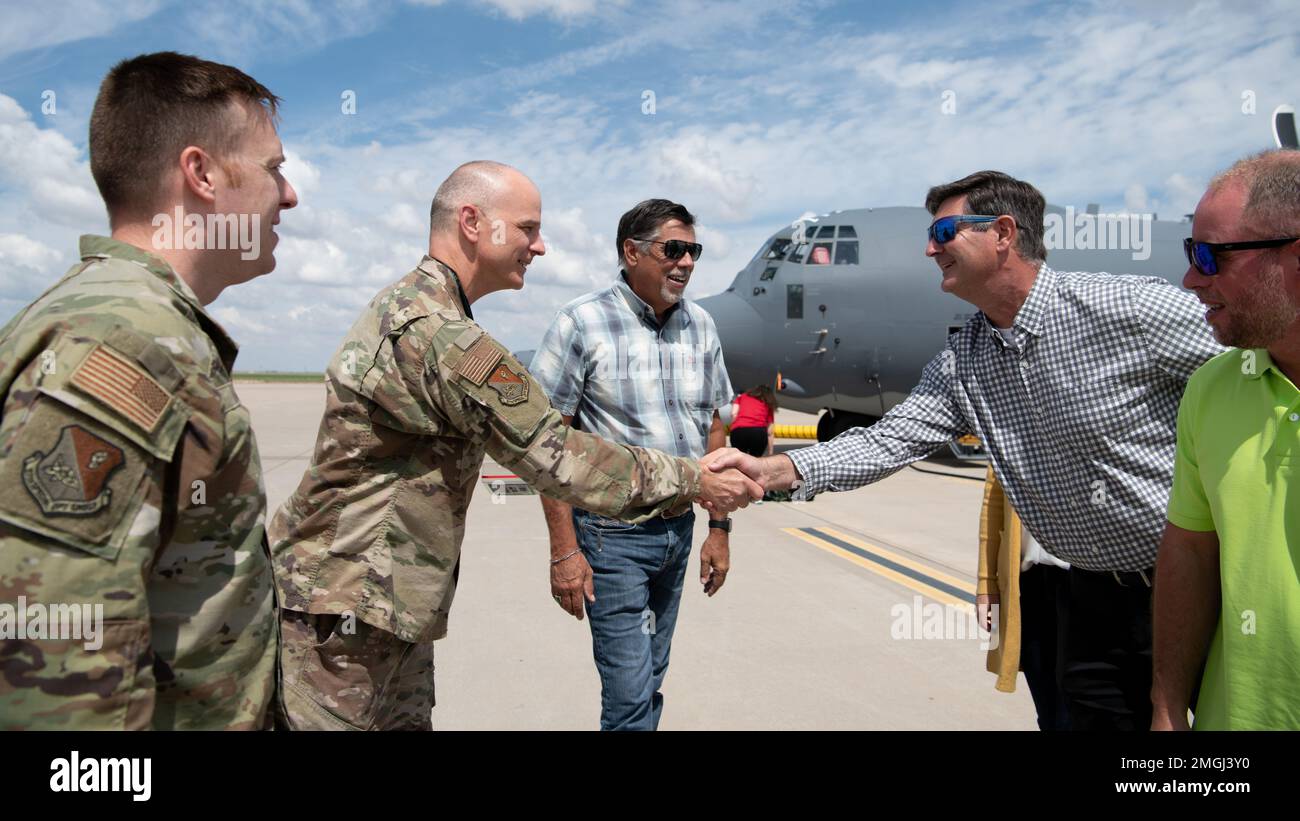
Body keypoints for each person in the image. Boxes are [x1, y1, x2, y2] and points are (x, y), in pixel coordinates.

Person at [706, 170, 1225, 730]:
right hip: (1089, 598)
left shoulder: (1129, 311)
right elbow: (889, 439)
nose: (931, 248)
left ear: (1003, 233)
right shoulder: (967, 359)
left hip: (1198, 585)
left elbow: (1261, 366)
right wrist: (774, 467)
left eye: (946, 231)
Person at [269, 167, 760, 731]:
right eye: (527, 228)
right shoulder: (439, 334)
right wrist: (696, 480)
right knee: (629, 693)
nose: (541, 246)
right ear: (473, 223)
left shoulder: (429, 312)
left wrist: (712, 522)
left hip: (384, 600)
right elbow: (555, 453)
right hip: (346, 607)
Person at [0, 51, 298, 729]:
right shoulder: (127, 343)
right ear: (202, 174)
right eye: (274, 169)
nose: (289, 195)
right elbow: (54, 678)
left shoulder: (134, 323)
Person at [530, 198, 734, 731]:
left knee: (650, 679)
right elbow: (545, 444)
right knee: (628, 692)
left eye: (694, 251)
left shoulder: (702, 326)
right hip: (609, 535)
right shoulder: (582, 322)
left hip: (678, 532)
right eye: (674, 249)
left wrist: (718, 529)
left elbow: (716, 427)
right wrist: (563, 550)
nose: (686, 262)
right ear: (631, 252)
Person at [1151, 149, 1300, 731]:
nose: (1191, 279)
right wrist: (1166, 706)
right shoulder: (1211, 388)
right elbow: (1190, 550)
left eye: (1209, 256)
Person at [978, 467, 1070, 730]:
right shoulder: (1011, 427)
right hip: (1029, 583)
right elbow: (993, 502)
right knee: (1049, 711)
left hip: (1086, 582)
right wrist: (986, 584)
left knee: (1075, 711)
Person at [730, 384, 777, 458]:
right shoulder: (768, 402)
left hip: (739, 431)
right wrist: (770, 452)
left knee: (738, 460)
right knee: (755, 462)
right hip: (758, 433)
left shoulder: (743, 396)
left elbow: (733, 414)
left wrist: (734, 427)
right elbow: (770, 432)